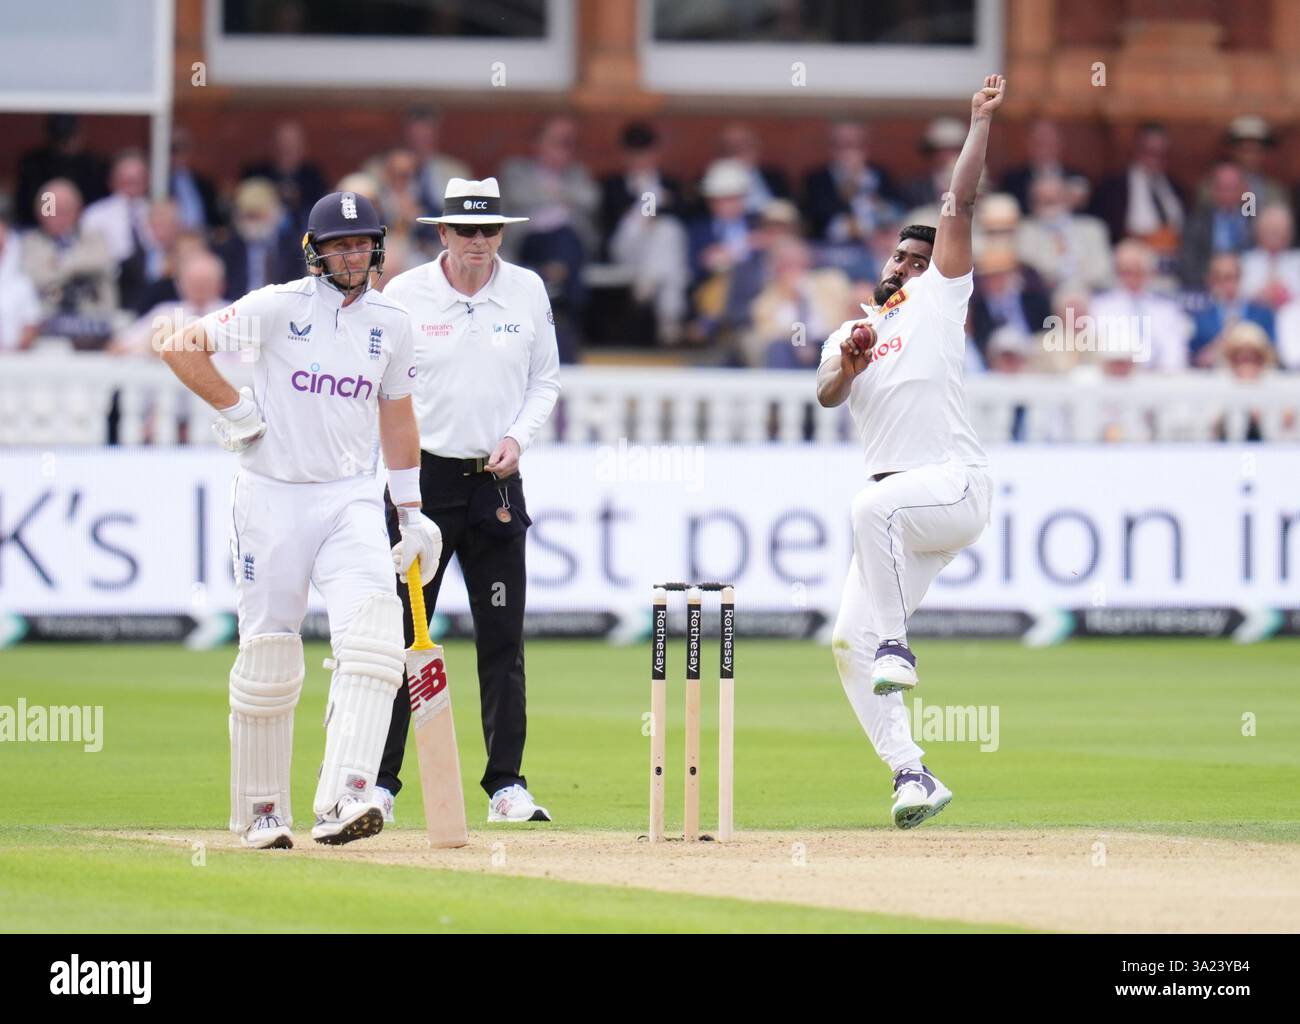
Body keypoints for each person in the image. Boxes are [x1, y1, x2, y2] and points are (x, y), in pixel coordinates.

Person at [157, 190, 441, 850]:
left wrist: (412, 510)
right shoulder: (277, 307)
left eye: (362, 242)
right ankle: (262, 811)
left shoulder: (392, 324)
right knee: (270, 654)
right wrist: (235, 412)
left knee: (372, 640)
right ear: (315, 251)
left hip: (348, 498)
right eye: (338, 244)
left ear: (377, 247)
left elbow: (397, 415)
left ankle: (344, 796)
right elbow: (179, 347)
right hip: (271, 498)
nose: (351, 254)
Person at [815, 75, 1004, 830]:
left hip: (952, 488)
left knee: (871, 507)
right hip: (895, 522)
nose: (902, 266)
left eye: (916, 259)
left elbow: (956, 205)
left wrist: (978, 125)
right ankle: (912, 774)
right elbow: (828, 392)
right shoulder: (852, 330)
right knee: (843, 642)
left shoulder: (939, 301)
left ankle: (901, 643)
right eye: (898, 257)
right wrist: (848, 364)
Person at [377, 178, 561, 825]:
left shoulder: (527, 290)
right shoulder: (404, 294)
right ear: (443, 233)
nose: (479, 242)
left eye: (490, 231)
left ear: (501, 234)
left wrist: (517, 437)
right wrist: (400, 482)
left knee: (502, 639)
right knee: (404, 636)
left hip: (496, 486)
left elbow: (545, 381)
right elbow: (383, 388)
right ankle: (380, 785)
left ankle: (506, 784)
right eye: (467, 231)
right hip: (420, 486)